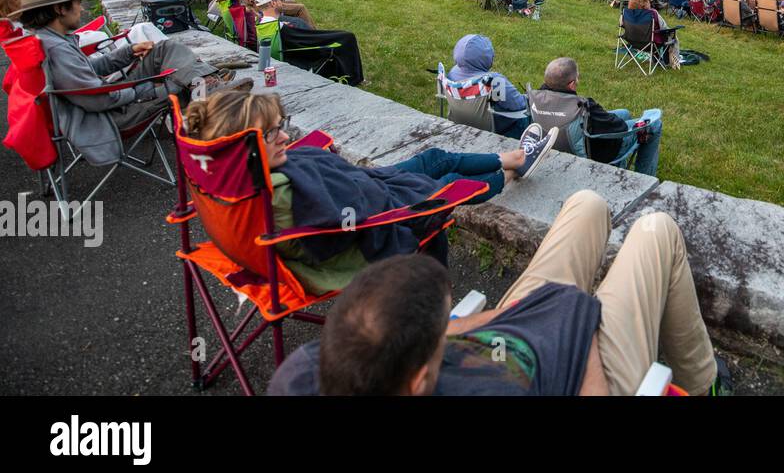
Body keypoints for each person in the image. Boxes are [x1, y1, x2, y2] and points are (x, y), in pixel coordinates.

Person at [270, 188, 729, 397]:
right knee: (656, 229)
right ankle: (703, 380)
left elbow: (444, 333)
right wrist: (575, 323)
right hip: (585, 365)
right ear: (415, 381)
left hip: (524, 326)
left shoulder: (307, 374)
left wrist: (523, 315)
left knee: (587, 204)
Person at [180, 83, 555, 295]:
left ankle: (516, 158)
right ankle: (512, 173)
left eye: (282, 125)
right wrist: (362, 188)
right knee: (449, 187)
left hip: (369, 190)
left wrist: (338, 170)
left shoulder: (231, 182)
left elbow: (331, 184)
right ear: (243, 147)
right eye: (272, 132)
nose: (284, 135)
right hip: (374, 224)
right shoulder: (276, 195)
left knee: (433, 157)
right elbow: (336, 233)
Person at [10, 0, 223, 167]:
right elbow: (98, 100)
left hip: (107, 101)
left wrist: (129, 52)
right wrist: (149, 87)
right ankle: (216, 103)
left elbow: (89, 71)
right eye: (77, 4)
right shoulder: (56, 49)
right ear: (60, 9)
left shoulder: (50, 40)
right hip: (108, 117)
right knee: (177, 82)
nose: (81, 10)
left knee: (165, 49)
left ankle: (207, 84)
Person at [527, 57, 663, 177]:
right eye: (577, 78)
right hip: (592, 153)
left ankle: (618, 170)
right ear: (572, 84)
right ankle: (645, 179)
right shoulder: (584, 107)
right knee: (655, 125)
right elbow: (619, 127)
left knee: (624, 113)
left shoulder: (535, 98)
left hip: (561, 143)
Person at [448, 34, 531, 139]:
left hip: (463, 122)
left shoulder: (453, 72)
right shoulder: (493, 81)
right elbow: (519, 105)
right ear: (486, 57)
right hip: (497, 130)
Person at [622, 0, 681, 68]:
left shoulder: (626, 12)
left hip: (632, 42)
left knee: (654, 35)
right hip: (651, 43)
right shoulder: (652, 13)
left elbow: (622, 25)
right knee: (672, 36)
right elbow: (665, 28)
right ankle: (671, 63)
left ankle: (657, 59)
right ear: (646, 2)